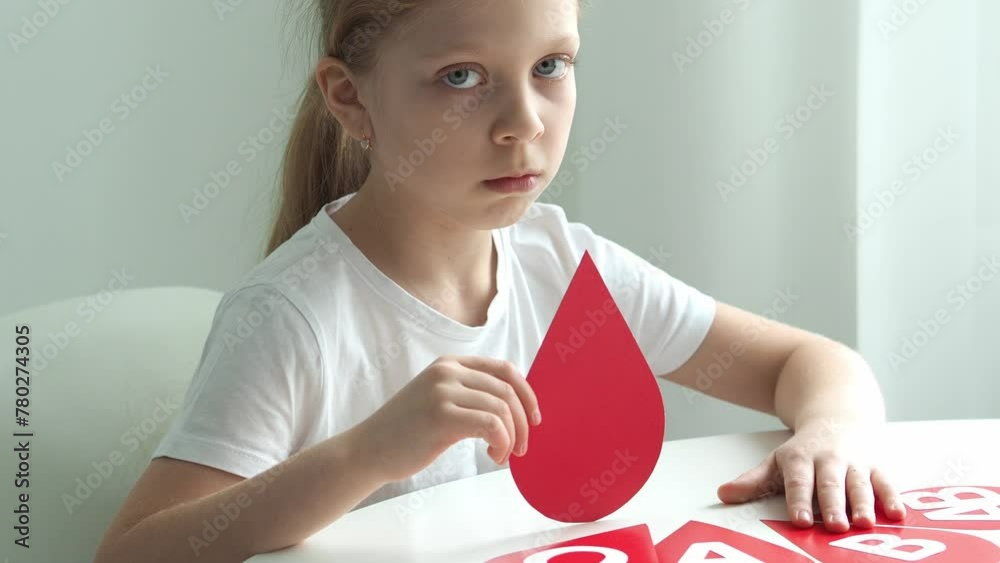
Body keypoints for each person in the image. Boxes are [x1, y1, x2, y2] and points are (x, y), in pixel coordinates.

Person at [94, 0, 906, 561]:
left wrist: (834, 430)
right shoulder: (292, 317)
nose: (524, 122)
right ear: (350, 98)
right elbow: (134, 552)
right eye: (461, 77)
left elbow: (810, 364)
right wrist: (368, 453)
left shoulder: (563, 264)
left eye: (551, 64)